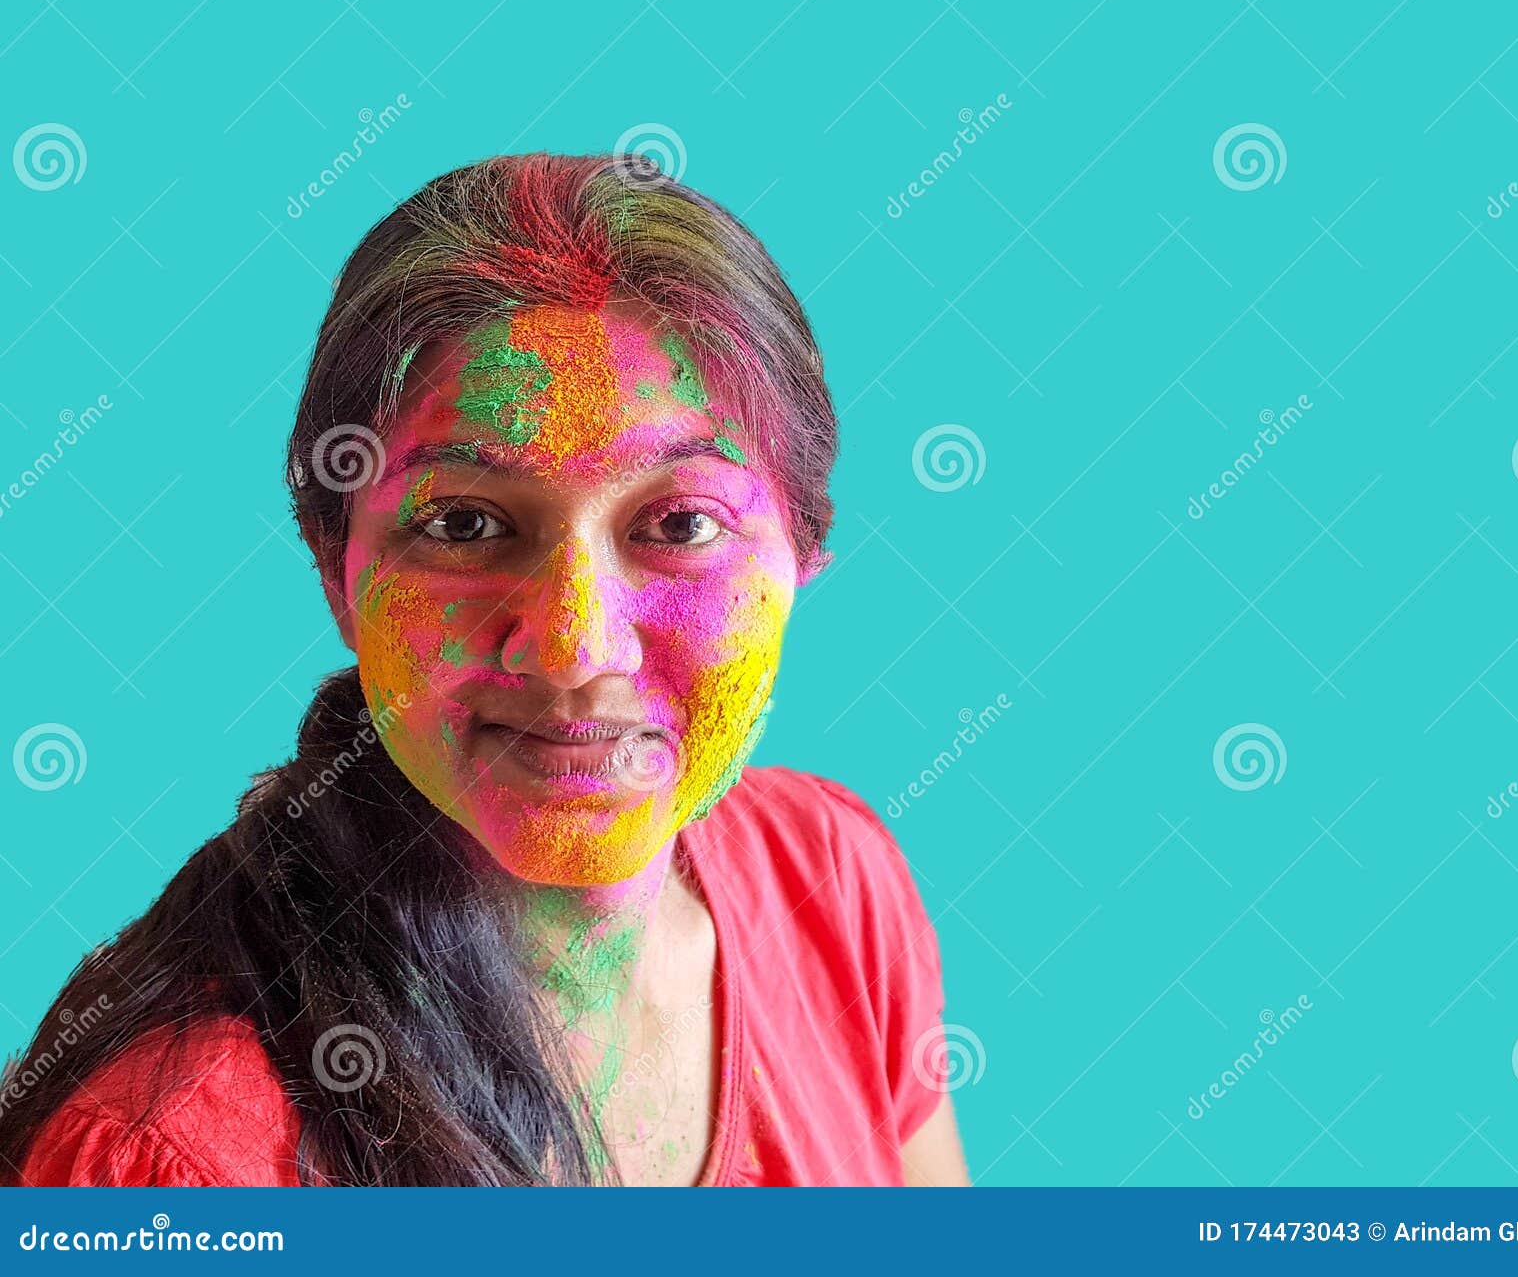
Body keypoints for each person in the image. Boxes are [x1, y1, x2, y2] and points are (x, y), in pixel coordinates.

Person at [0, 152, 968, 1187]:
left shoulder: (830, 879)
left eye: (680, 522)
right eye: (464, 524)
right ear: (338, 573)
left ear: (805, 554)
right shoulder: (182, 1165)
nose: (574, 643)